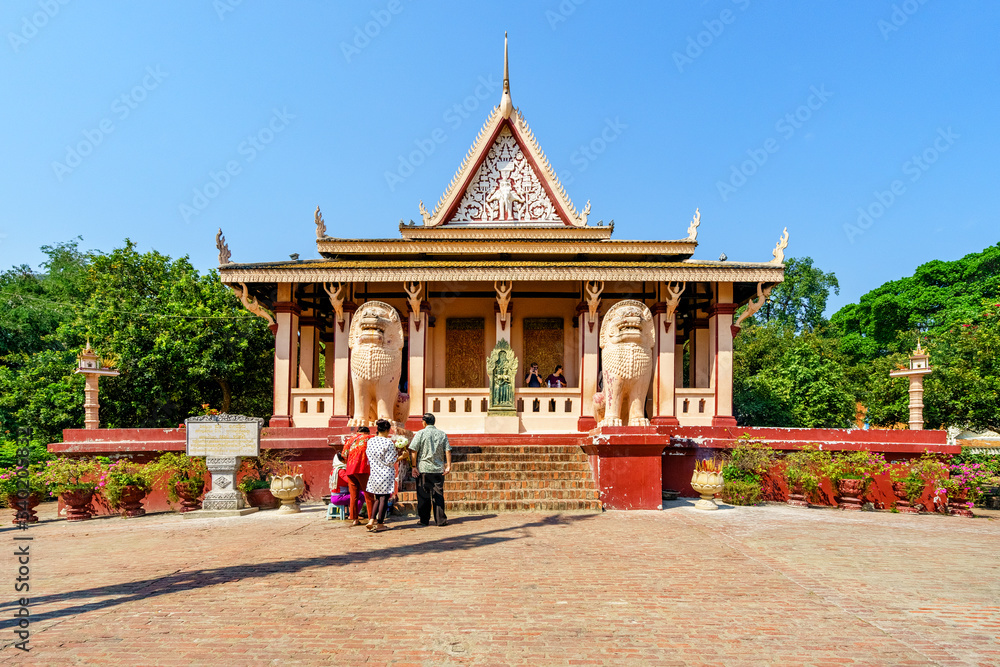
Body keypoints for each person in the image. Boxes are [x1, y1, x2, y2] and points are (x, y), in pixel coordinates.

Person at [408, 412, 451, 527]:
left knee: (423, 495)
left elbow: (413, 450)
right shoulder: (442, 434)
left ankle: (424, 519)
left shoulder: (420, 433)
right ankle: (440, 520)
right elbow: (447, 450)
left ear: (424, 422)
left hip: (424, 469)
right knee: (438, 495)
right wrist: (448, 466)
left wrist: (413, 466)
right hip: (438, 469)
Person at [365, 419, 398, 532]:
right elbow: (390, 460)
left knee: (377, 498)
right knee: (384, 497)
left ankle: (371, 520)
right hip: (385, 473)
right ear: (388, 430)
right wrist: (402, 456)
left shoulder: (370, 441)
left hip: (374, 472)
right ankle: (380, 523)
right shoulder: (388, 442)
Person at [343, 426, 373, 526]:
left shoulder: (349, 440)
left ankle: (355, 519)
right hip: (362, 468)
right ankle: (371, 518)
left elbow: (344, 455)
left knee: (354, 495)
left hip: (350, 469)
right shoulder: (369, 438)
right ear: (367, 432)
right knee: (368, 494)